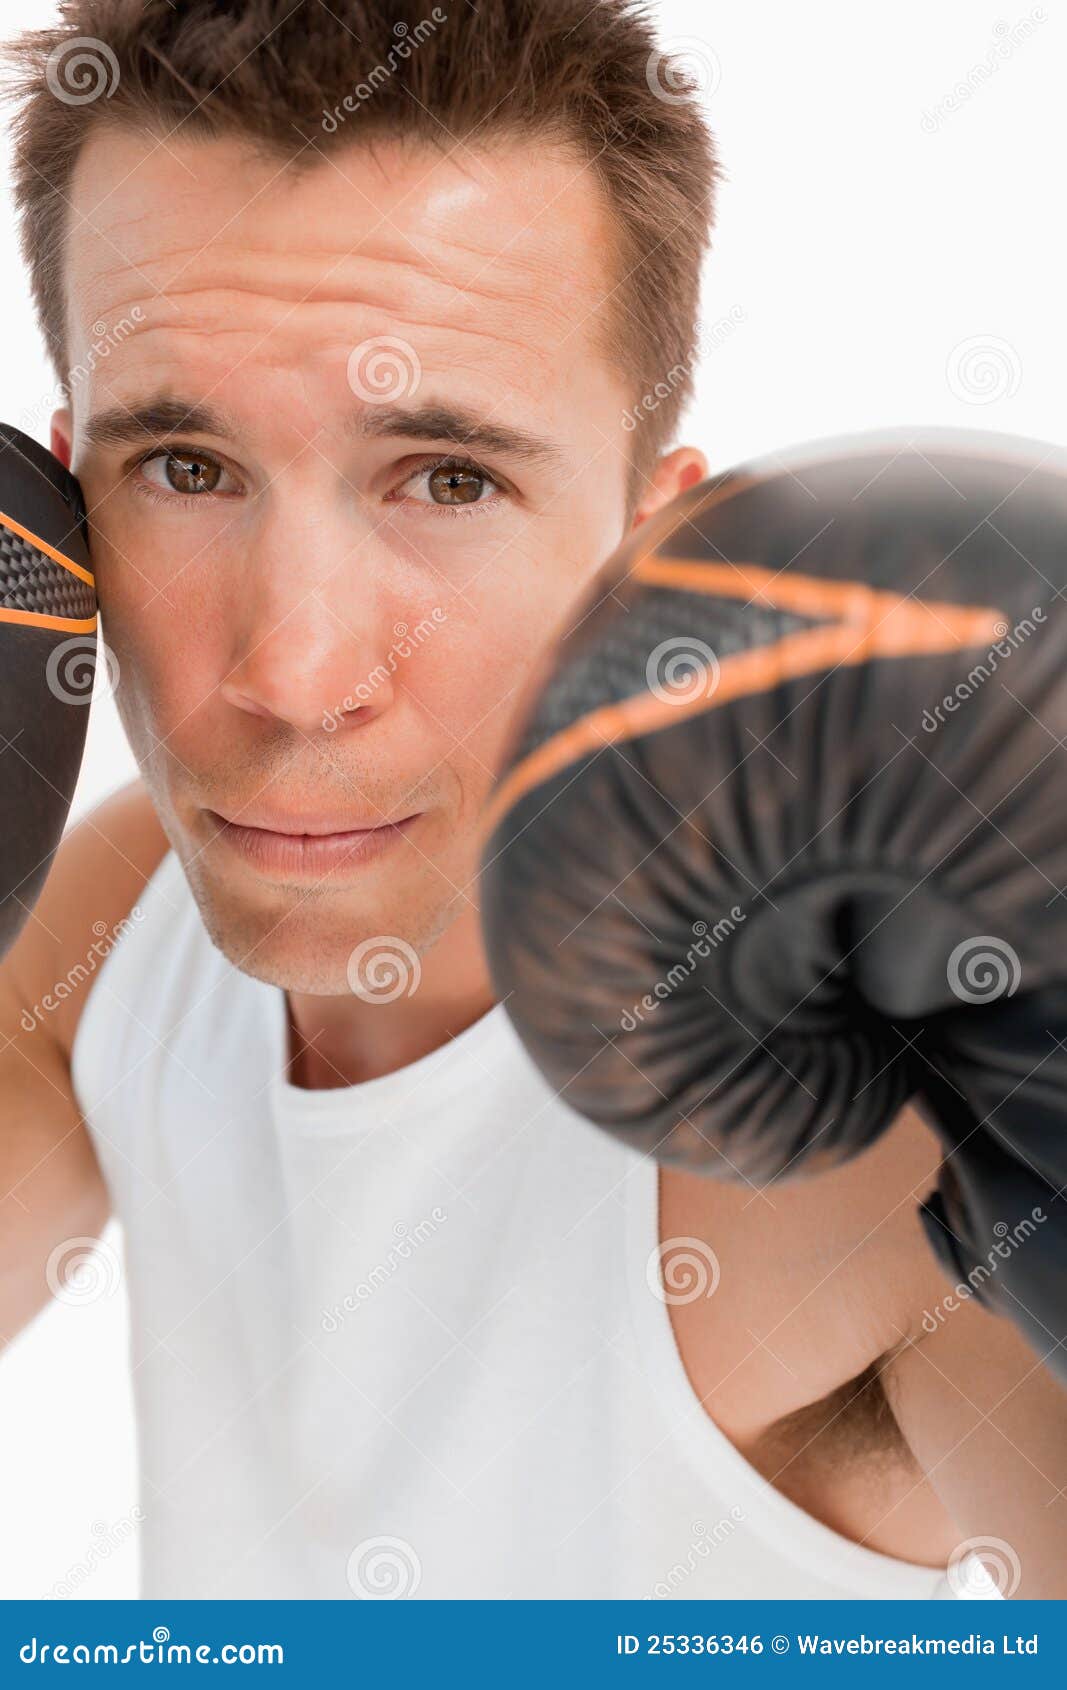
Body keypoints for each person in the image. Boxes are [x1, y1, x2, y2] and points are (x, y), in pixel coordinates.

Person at [0, 0, 1058, 1600]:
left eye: (448, 477)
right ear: (59, 508)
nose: (292, 674)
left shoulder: (852, 1155)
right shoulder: (114, 933)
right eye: (187, 470)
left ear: (658, 550)